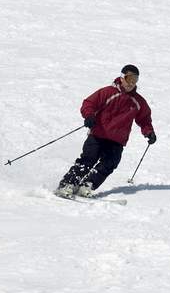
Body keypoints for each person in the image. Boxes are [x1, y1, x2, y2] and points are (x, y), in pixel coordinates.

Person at [55, 64, 156, 198]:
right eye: (129, 78)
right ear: (122, 77)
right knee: (88, 159)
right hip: (98, 135)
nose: (131, 83)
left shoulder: (138, 101)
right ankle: (67, 184)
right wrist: (89, 116)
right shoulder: (108, 92)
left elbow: (144, 119)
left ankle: (87, 185)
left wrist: (149, 132)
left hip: (117, 140)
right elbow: (89, 104)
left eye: (135, 80)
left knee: (109, 164)